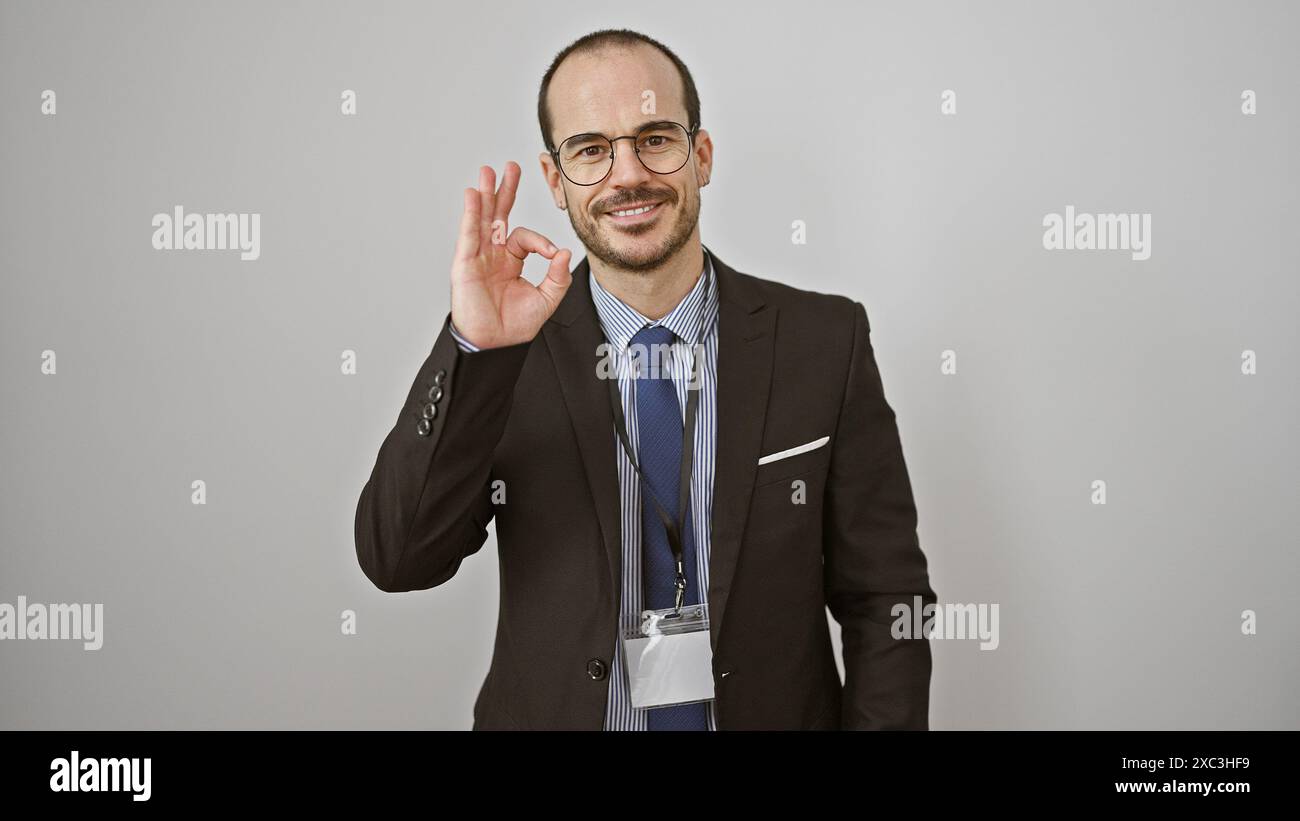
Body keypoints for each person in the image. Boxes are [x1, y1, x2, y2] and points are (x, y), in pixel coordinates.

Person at [354, 28, 937, 730]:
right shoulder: (508, 350)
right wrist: (474, 348)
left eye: (655, 138)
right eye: (591, 150)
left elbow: (887, 598)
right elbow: (399, 557)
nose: (627, 175)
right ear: (555, 181)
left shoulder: (824, 340)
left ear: (703, 155)